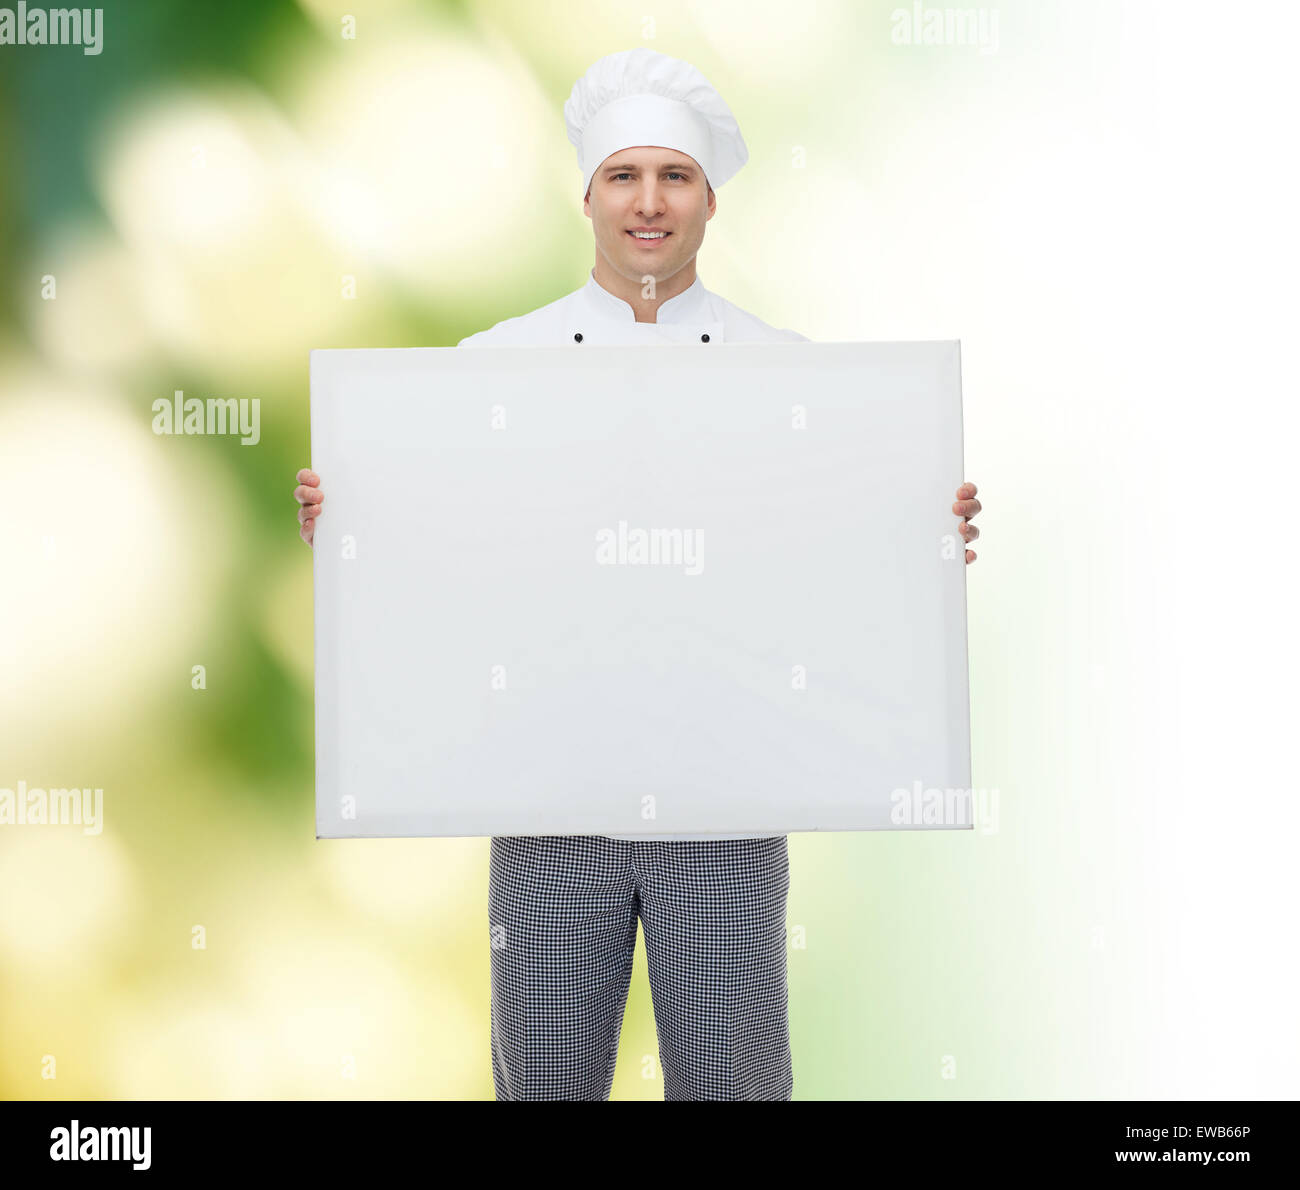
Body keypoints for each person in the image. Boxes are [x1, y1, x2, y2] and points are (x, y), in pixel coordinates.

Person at [294, 48, 982, 1101]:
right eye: (624, 175)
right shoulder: (490, 371)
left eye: (674, 176)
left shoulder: (788, 376)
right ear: (586, 194)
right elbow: (447, 553)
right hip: (545, 798)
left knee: (731, 1083)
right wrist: (351, 525)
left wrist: (918, 536)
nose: (648, 202)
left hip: (726, 805)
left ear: (709, 197)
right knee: (546, 1084)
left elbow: (825, 560)